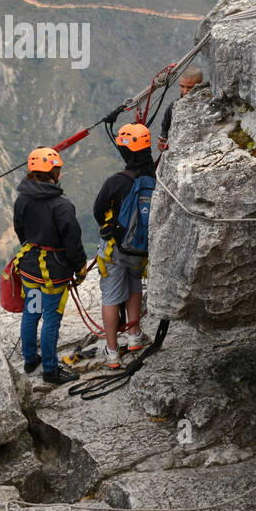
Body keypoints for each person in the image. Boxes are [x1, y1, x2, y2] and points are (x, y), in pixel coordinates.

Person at [12, 147, 88, 386]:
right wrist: (79, 267)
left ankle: (29, 360)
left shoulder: (22, 199)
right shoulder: (61, 205)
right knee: (51, 320)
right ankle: (50, 370)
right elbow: (72, 240)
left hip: (29, 266)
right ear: (53, 172)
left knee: (32, 311)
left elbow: (20, 230)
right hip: (54, 272)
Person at [93, 123, 157, 369]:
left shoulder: (116, 181)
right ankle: (134, 336)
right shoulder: (154, 178)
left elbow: (99, 210)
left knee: (110, 296)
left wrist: (111, 226)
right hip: (141, 250)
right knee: (133, 287)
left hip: (115, 249)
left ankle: (112, 351)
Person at [157, 65, 203, 153]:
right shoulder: (173, 107)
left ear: (200, 85)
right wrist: (163, 140)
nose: (185, 91)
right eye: (182, 86)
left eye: (190, 87)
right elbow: (165, 129)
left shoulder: (210, 105)